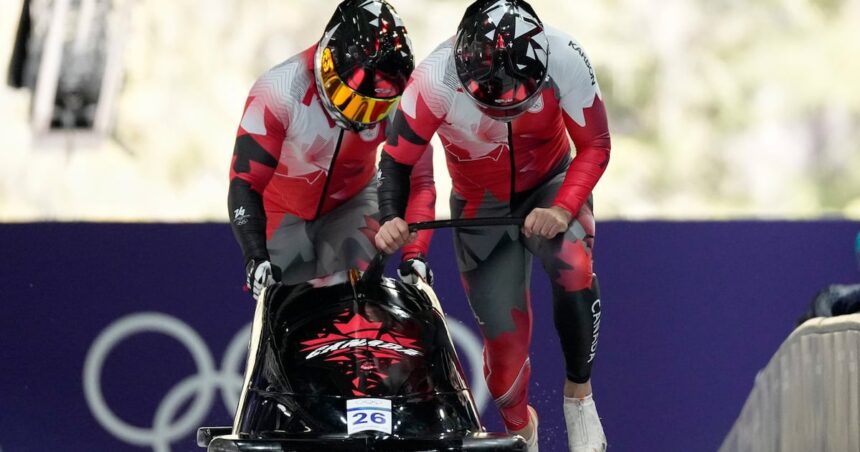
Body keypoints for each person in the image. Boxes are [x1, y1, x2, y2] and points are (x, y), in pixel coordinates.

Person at [374, 1, 610, 450]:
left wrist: (563, 209)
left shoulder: (565, 54)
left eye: (518, 100)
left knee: (573, 265)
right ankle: (523, 431)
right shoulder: (434, 80)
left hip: (551, 185)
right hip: (480, 206)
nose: (504, 111)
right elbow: (396, 161)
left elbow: (595, 144)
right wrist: (390, 217)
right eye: (491, 101)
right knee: (505, 361)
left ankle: (579, 398)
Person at [228, 0, 435, 303]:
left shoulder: (403, 98)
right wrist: (255, 256)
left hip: (353, 204)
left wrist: (414, 254)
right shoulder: (278, 92)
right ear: (327, 63)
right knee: (291, 308)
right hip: (280, 213)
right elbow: (245, 181)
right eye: (350, 99)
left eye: (376, 109)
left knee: (354, 299)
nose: (358, 117)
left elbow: (420, 179)